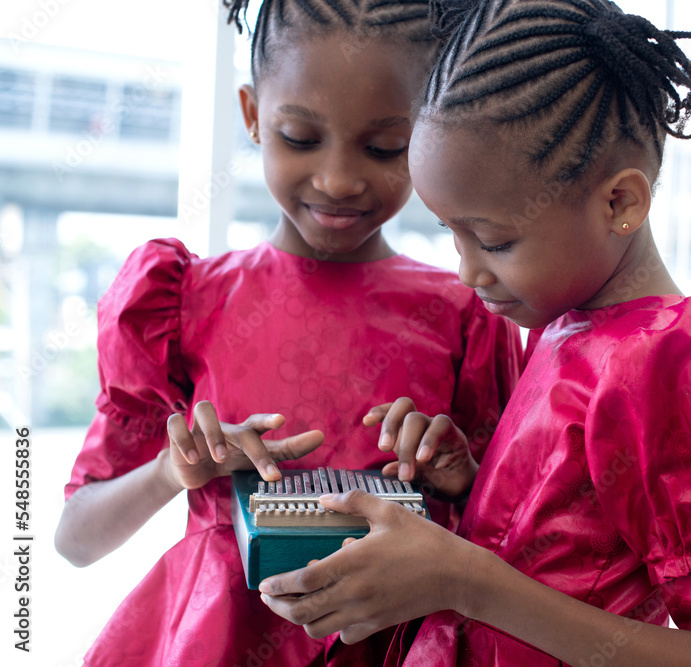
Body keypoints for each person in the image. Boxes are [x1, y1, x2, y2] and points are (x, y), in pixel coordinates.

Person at [258, 1, 691, 666]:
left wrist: (464, 579)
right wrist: (469, 487)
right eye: (453, 234)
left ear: (620, 201)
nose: (467, 273)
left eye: (494, 240)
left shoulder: (686, 360)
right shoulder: (560, 332)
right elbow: (570, 553)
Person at [53, 1, 522, 665]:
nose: (338, 180)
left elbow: (514, 550)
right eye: (301, 137)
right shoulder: (180, 302)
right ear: (251, 115)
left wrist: (461, 482)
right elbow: (76, 538)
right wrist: (172, 470)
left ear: (429, 136)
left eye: (384, 147)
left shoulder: (464, 314)